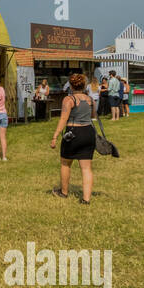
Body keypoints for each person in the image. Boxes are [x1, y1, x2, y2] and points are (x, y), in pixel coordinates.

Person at [50, 73, 95, 205]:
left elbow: (63, 119)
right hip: (88, 132)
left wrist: (55, 136)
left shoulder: (69, 100)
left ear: (71, 85)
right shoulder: (90, 100)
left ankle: (64, 192)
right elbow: (93, 115)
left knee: (65, 163)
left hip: (73, 133)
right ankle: (86, 199)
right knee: (86, 168)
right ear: (84, 85)